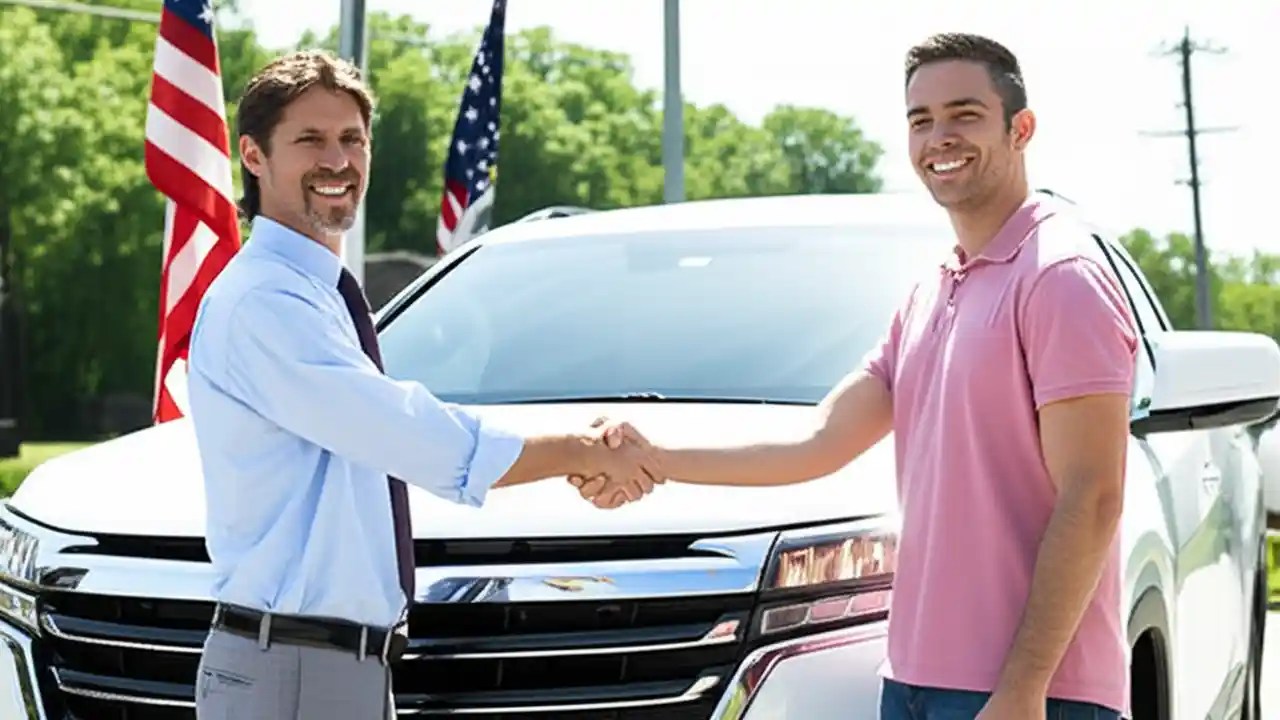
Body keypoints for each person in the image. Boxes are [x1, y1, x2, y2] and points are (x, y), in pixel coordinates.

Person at [575, 33, 1136, 720]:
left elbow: (1094, 497)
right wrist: (651, 457)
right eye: (920, 119)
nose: (940, 137)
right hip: (912, 678)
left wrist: (1023, 689)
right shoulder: (932, 289)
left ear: (1021, 128)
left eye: (964, 114)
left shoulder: (1060, 277)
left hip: (1032, 693)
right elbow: (816, 441)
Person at [185, 51, 658, 720]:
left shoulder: (316, 297)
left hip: (332, 667)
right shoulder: (264, 302)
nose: (338, 160)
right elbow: (405, 433)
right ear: (254, 157)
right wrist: (579, 450)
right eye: (310, 140)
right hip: (292, 672)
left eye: (353, 139)